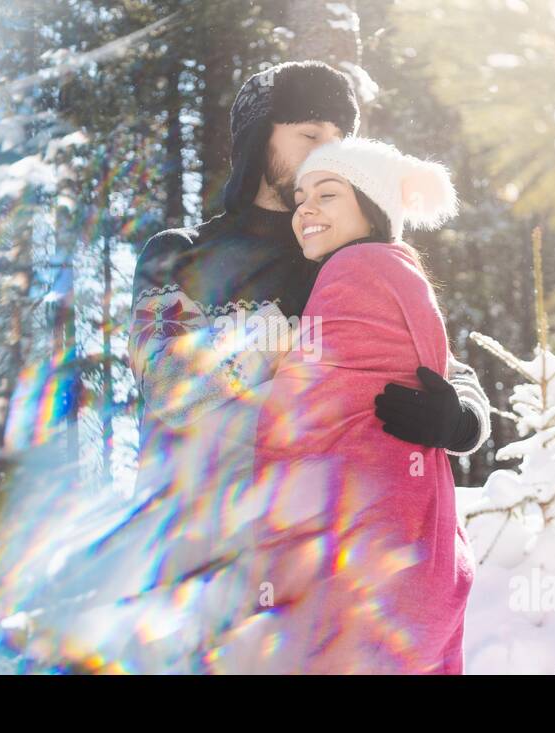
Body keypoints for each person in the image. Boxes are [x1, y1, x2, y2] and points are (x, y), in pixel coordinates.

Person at [127, 61, 490, 506]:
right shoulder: (178, 253)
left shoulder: (357, 260)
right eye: (310, 135)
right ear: (259, 139)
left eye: (338, 142)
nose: (325, 153)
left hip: (317, 548)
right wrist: (285, 337)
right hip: (190, 545)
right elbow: (167, 386)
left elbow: (445, 366)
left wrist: (460, 421)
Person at [250, 137, 478, 674]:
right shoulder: (391, 270)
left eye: (327, 194)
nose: (305, 208)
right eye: (301, 196)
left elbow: (309, 409)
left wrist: (463, 419)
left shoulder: (362, 270)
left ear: (373, 208)